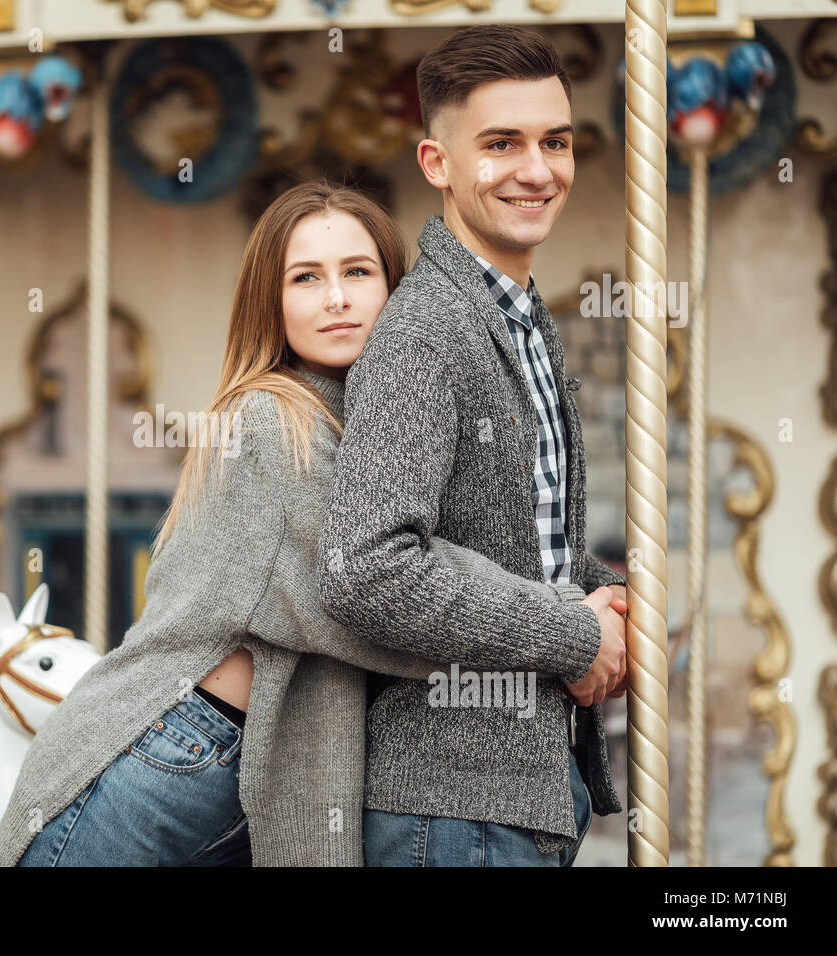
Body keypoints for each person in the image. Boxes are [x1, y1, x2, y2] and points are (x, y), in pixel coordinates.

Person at [0, 179, 611, 867]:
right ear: (272, 301)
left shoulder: (370, 416)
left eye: (358, 272)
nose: (336, 298)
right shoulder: (271, 420)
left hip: (245, 764)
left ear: (394, 289)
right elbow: (379, 592)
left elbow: (466, 547)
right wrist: (569, 630)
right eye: (306, 278)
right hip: (173, 747)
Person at [319, 25, 630, 867]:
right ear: (438, 163)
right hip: (452, 809)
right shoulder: (426, 329)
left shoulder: (522, 320)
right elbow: (367, 566)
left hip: (520, 796)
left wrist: (617, 608)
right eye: (502, 144)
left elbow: (529, 551)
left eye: (555, 142)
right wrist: (575, 636)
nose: (537, 170)